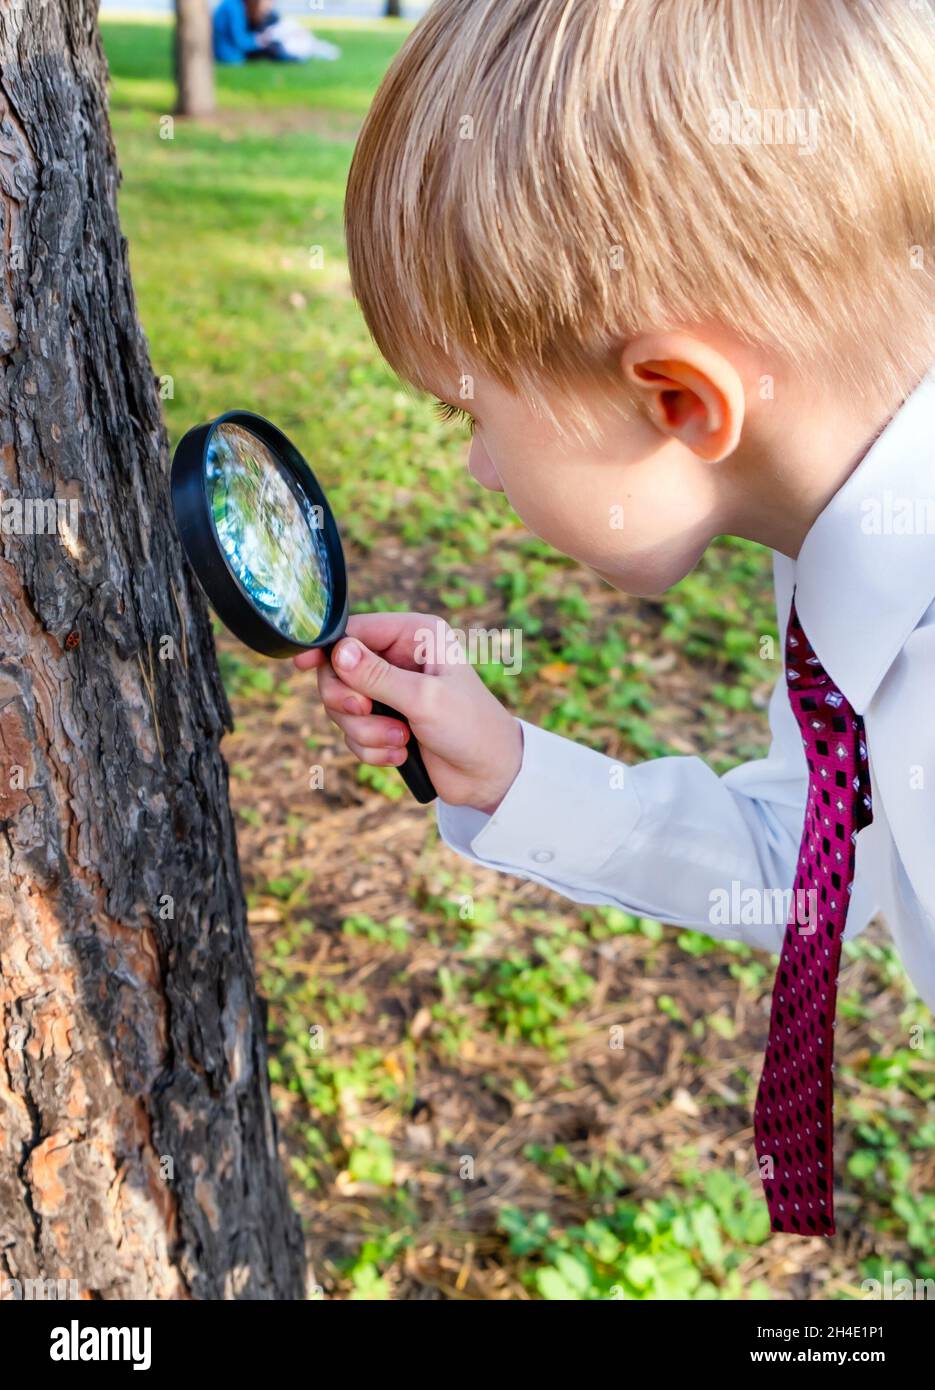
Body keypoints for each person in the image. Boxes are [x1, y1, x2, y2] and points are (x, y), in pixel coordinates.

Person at [295, 0, 935, 1235]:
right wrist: (514, 770)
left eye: (468, 416)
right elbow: (816, 862)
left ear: (679, 402)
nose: (478, 468)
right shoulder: (844, 555)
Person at [212, 0, 339, 65]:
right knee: (274, 47)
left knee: (279, 38)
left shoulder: (235, 5)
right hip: (230, 55)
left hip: (234, 52)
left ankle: (310, 48)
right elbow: (240, 41)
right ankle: (307, 51)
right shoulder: (233, 7)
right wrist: (259, 40)